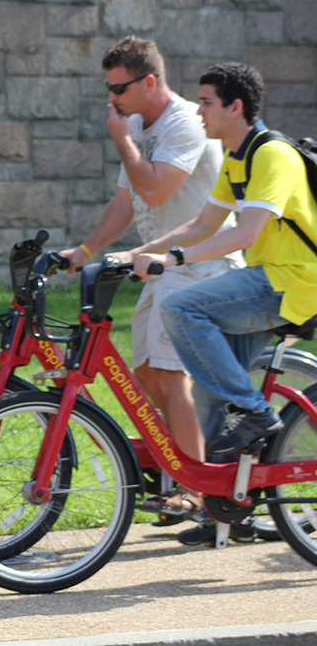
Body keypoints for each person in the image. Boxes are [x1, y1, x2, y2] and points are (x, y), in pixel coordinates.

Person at [125, 62, 317, 544]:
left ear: (236, 107)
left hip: (294, 282)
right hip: (269, 278)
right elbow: (203, 223)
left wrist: (172, 260)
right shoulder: (236, 158)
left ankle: (255, 410)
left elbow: (245, 233)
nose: (198, 110)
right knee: (210, 394)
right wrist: (140, 254)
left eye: (206, 101)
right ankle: (226, 510)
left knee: (183, 309)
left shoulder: (272, 155)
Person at [60, 37, 234, 492]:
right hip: (160, 267)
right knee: (145, 375)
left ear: (149, 82)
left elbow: (154, 189)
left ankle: (195, 493)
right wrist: (86, 251)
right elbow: (127, 201)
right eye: (108, 87)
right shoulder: (137, 124)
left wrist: (123, 140)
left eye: (118, 89)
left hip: (201, 265)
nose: (111, 98)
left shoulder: (184, 123)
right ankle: (190, 463)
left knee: (170, 377)